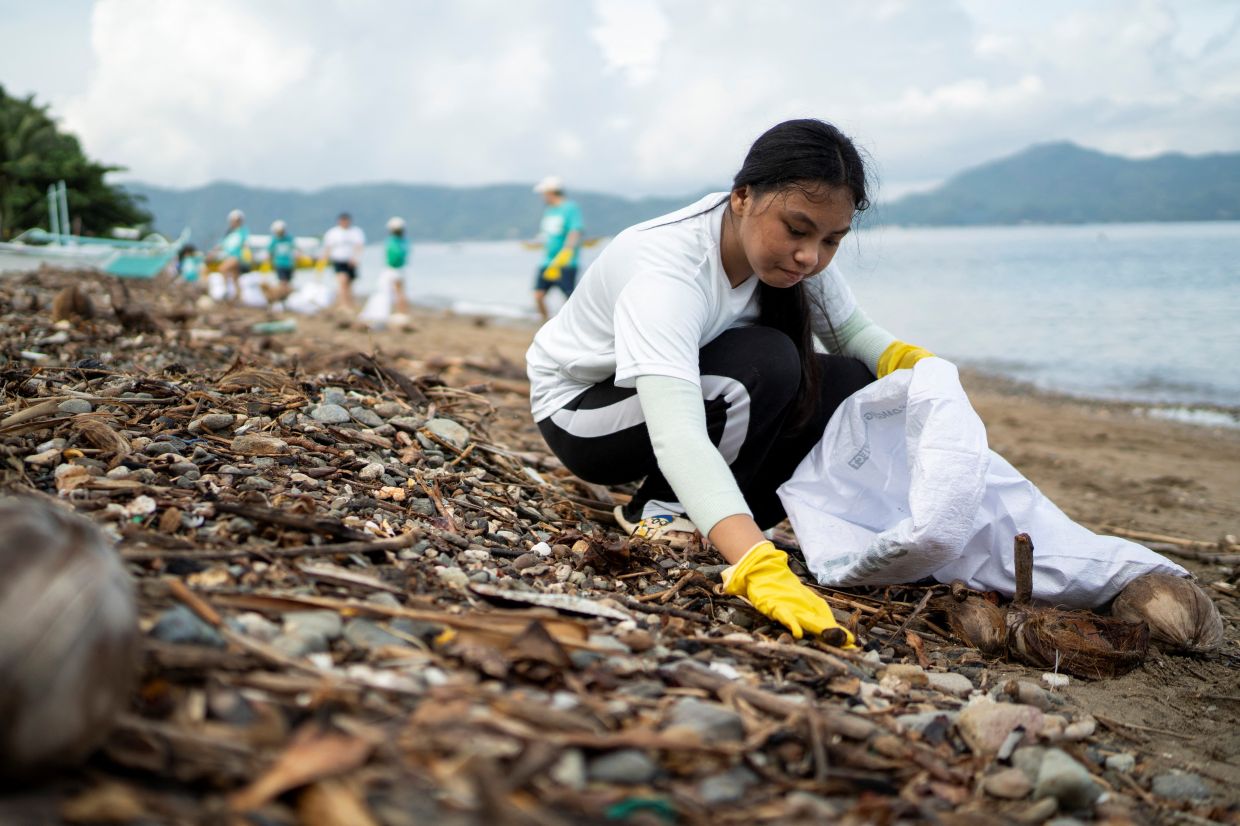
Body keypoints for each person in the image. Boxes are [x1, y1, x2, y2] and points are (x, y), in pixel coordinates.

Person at [526, 119, 937, 644]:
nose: (810, 256)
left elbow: (851, 332)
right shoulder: (667, 270)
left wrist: (924, 371)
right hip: (582, 412)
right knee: (767, 359)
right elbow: (677, 435)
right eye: (797, 230)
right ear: (742, 196)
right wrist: (755, 568)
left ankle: (735, 516)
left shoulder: (795, 260)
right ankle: (657, 510)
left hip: (686, 396)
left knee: (848, 382)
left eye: (831, 240)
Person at [531, 176, 584, 322]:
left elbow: (575, 231)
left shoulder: (570, 208)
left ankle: (570, 325)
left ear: (551, 192)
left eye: (543, 193)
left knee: (569, 298)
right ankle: (545, 324)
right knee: (538, 294)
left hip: (565, 262)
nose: (542, 196)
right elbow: (548, 236)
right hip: (547, 261)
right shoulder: (549, 210)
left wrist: (567, 252)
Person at [320, 212, 365, 311]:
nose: (344, 222)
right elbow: (328, 248)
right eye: (342, 220)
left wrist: (356, 258)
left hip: (351, 261)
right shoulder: (333, 233)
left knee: (349, 284)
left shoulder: (355, 232)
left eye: (346, 220)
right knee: (342, 281)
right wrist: (323, 261)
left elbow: (359, 246)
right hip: (338, 260)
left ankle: (349, 304)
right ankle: (343, 305)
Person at [218, 209, 250, 299]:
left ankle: (226, 291)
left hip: (237, 257)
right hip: (230, 256)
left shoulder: (242, 231)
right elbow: (221, 244)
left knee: (222, 268)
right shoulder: (229, 233)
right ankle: (238, 296)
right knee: (235, 278)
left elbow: (245, 243)